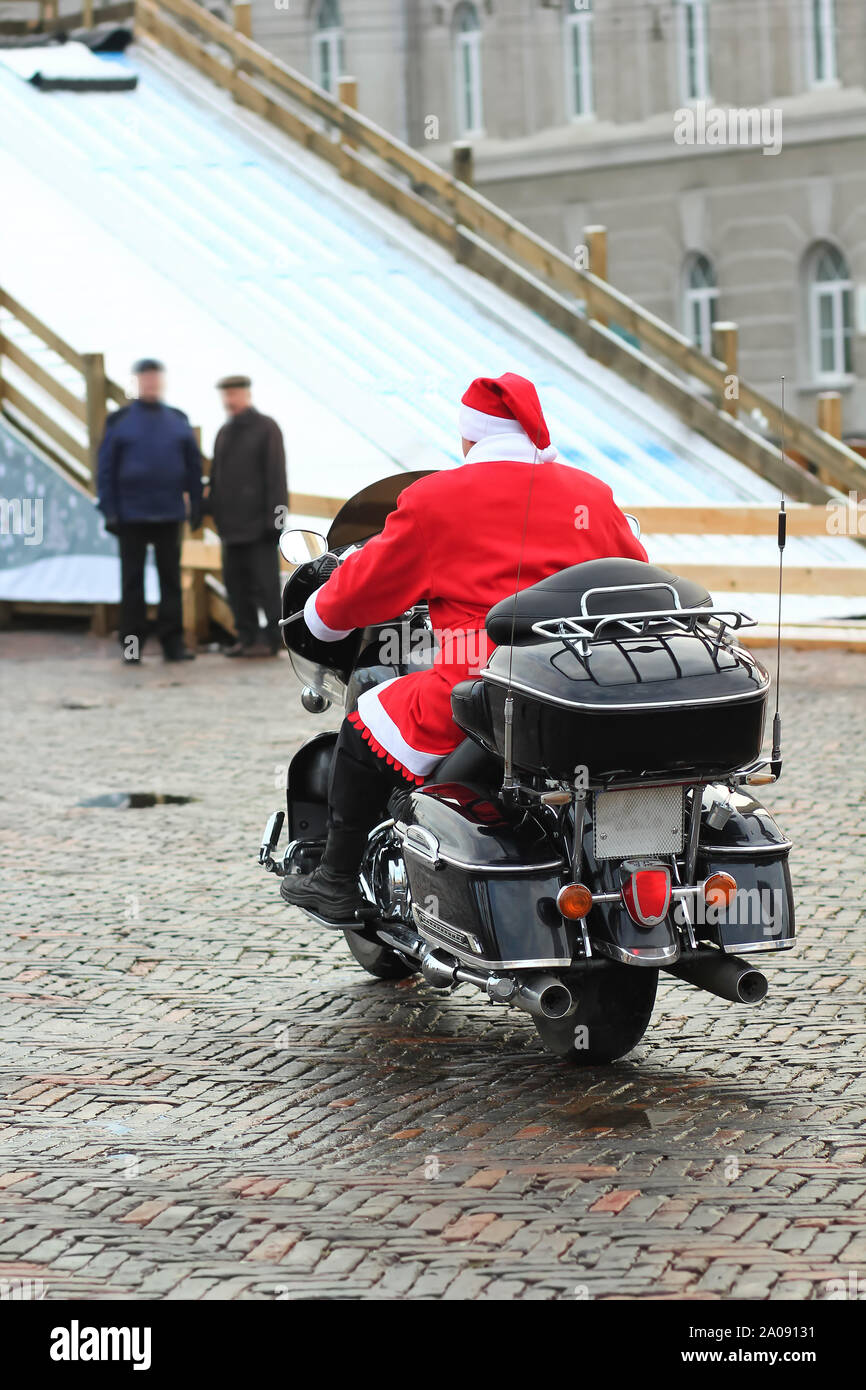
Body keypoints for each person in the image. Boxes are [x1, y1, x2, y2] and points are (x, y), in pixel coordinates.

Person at [280, 371, 648, 922]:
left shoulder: (436, 499)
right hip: (581, 676)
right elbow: (634, 572)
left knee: (364, 725)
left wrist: (319, 617)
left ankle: (336, 881)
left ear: (470, 439)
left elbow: (366, 585)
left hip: (479, 679)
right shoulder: (587, 494)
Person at [97, 359, 202, 663]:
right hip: (131, 516)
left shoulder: (178, 419)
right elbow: (105, 470)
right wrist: (110, 511)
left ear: (162, 382)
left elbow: (193, 468)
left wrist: (195, 504)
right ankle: (132, 648)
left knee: (171, 581)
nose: (151, 384)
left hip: (169, 514)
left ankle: (173, 646)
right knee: (132, 583)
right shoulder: (119, 420)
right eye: (145, 379)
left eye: (156, 379)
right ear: (137, 382)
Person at [205, 374, 287, 658]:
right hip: (230, 526)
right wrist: (211, 510)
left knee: (266, 586)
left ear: (246, 394)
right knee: (236, 586)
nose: (230, 400)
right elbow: (216, 477)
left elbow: (277, 478)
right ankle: (246, 636)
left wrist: (276, 523)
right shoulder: (224, 432)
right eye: (226, 395)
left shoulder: (266, 428)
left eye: (234, 394)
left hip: (260, 527)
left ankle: (274, 639)